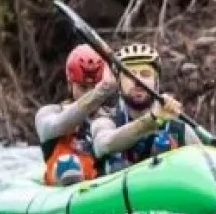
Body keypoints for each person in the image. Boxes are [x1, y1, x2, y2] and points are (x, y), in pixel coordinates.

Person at [90, 43, 200, 174]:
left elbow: (203, 164)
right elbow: (103, 145)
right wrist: (151, 120)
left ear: (156, 82)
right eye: (130, 75)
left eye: (145, 74)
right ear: (119, 83)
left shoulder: (179, 129)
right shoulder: (106, 119)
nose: (137, 81)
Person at [35, 44, 120, 186]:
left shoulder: (112, 114)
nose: (89, 92)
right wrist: (100, 91)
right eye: (83, 87)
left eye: (94, 87)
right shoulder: (50, 113)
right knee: (69, 165)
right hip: (67, 185)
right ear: (70, 84)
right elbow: (57, 125)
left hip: (105, 184)